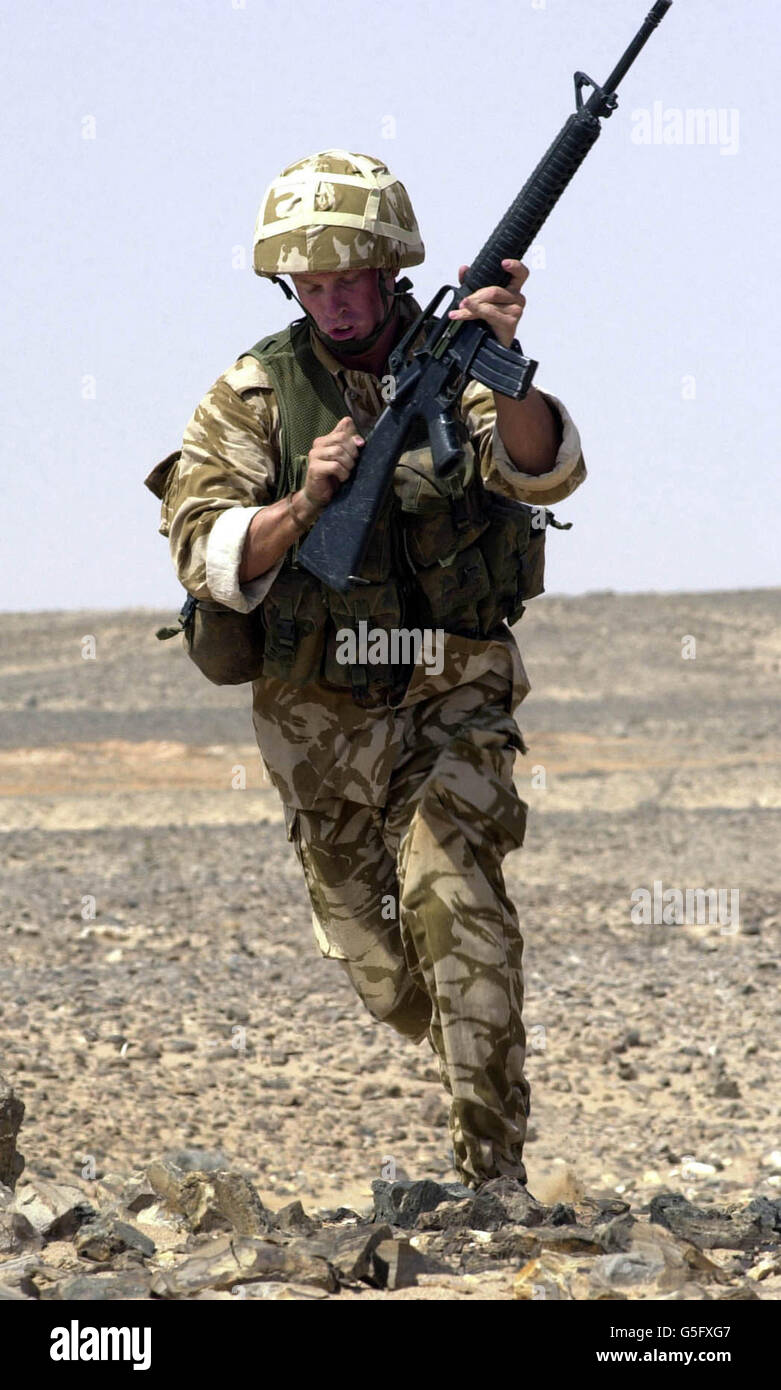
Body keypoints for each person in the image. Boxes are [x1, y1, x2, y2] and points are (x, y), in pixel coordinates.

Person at [148, 149, 586, 1191]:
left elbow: (545, 465)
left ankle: (493, 1182)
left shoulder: (457, 359)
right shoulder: (254, 392)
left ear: (392, 269)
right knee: (388, 972)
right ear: (287, 287)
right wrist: (302, 506)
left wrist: (502, 362)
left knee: (452, 891)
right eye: (314, 282)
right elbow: (201, 545)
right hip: (318, 721)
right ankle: (477, 1066)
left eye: (354, 276)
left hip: (452, 686)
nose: (337, 300)